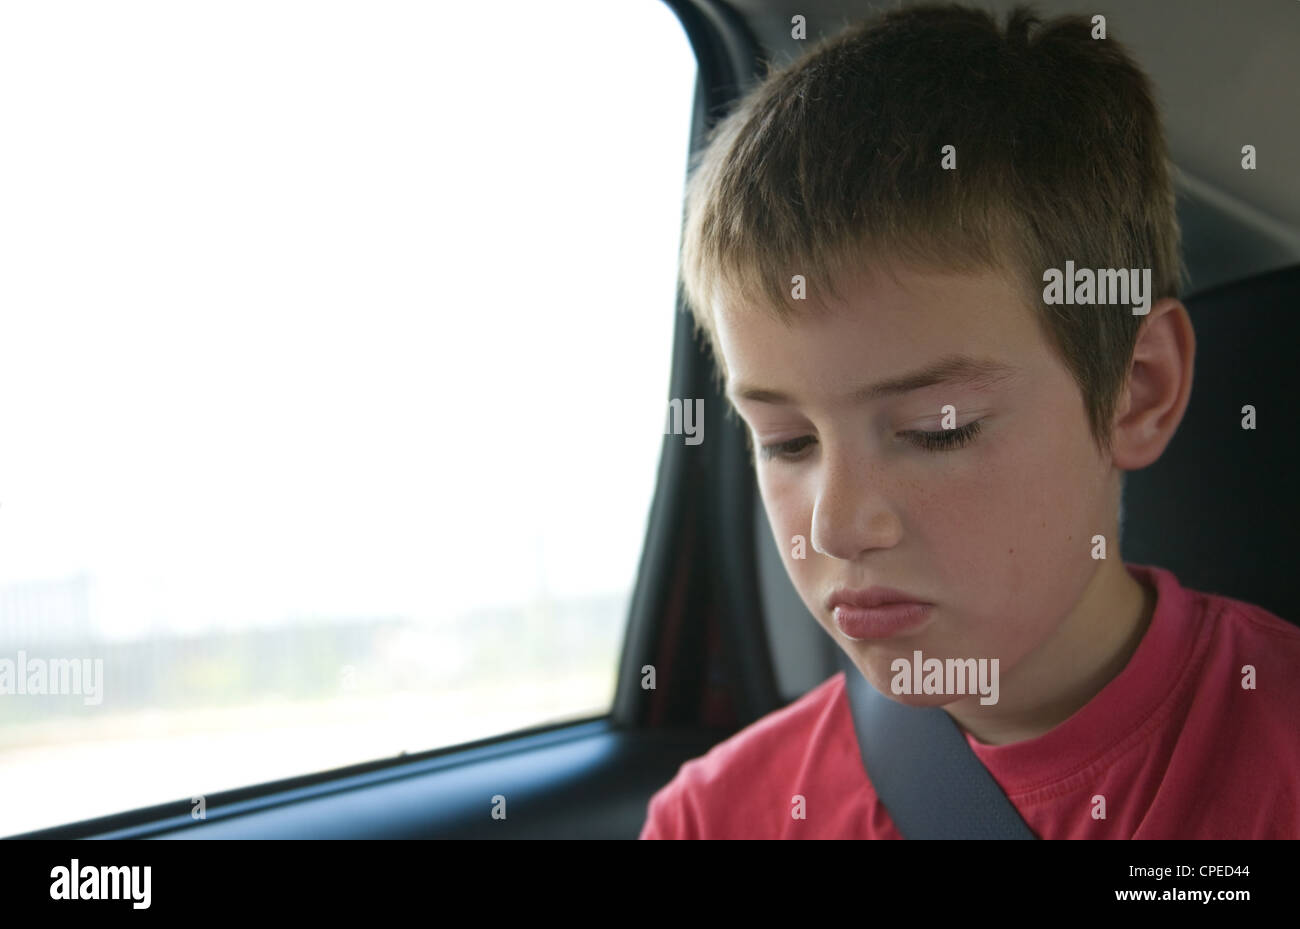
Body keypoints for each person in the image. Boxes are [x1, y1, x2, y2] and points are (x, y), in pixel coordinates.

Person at [640, 3, 1300, 839]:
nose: (838, 526)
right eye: (788, 441)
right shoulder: (713, 819)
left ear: (1137, 390)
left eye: (937, 428)